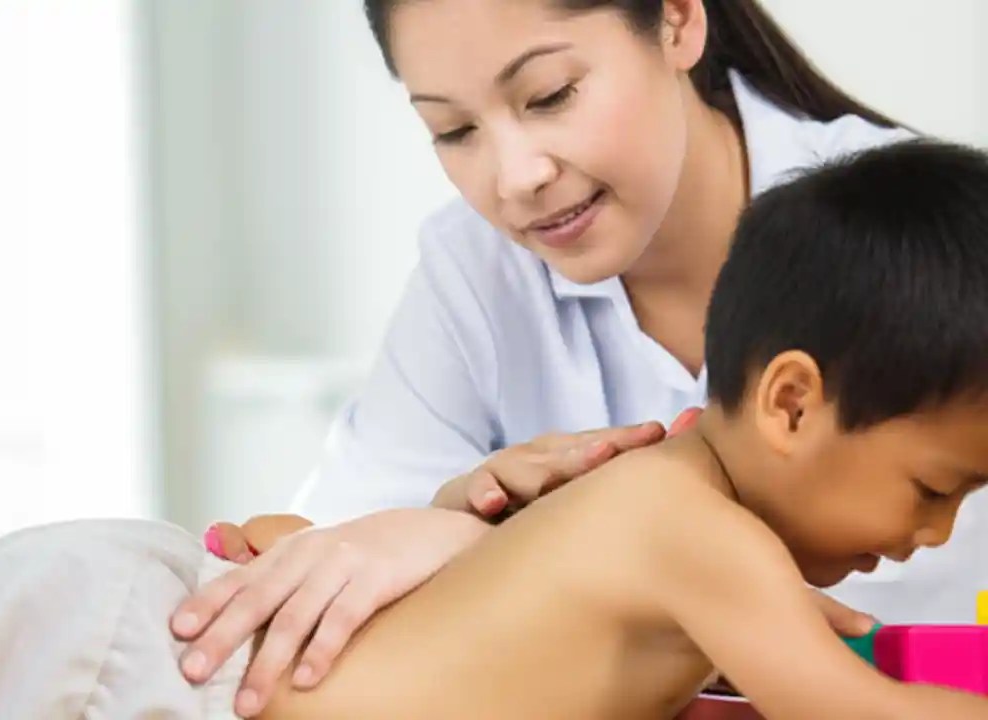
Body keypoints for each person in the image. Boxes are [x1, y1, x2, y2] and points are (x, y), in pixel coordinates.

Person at [0, 139, 988, 720]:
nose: (929, 529)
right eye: (932, 487)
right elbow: (846, 702)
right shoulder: (684, 525)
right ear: (788, 401)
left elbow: (874, 651)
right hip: (159, 675)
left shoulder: (677, 504)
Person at [173, 0, 985, 712]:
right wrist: (451, 526)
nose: (516, 177)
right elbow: (320, 556)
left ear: (677, 17)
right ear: (789, 402)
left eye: (551, 95)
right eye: (452, 131)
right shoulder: (478, 279)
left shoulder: (943, 265)